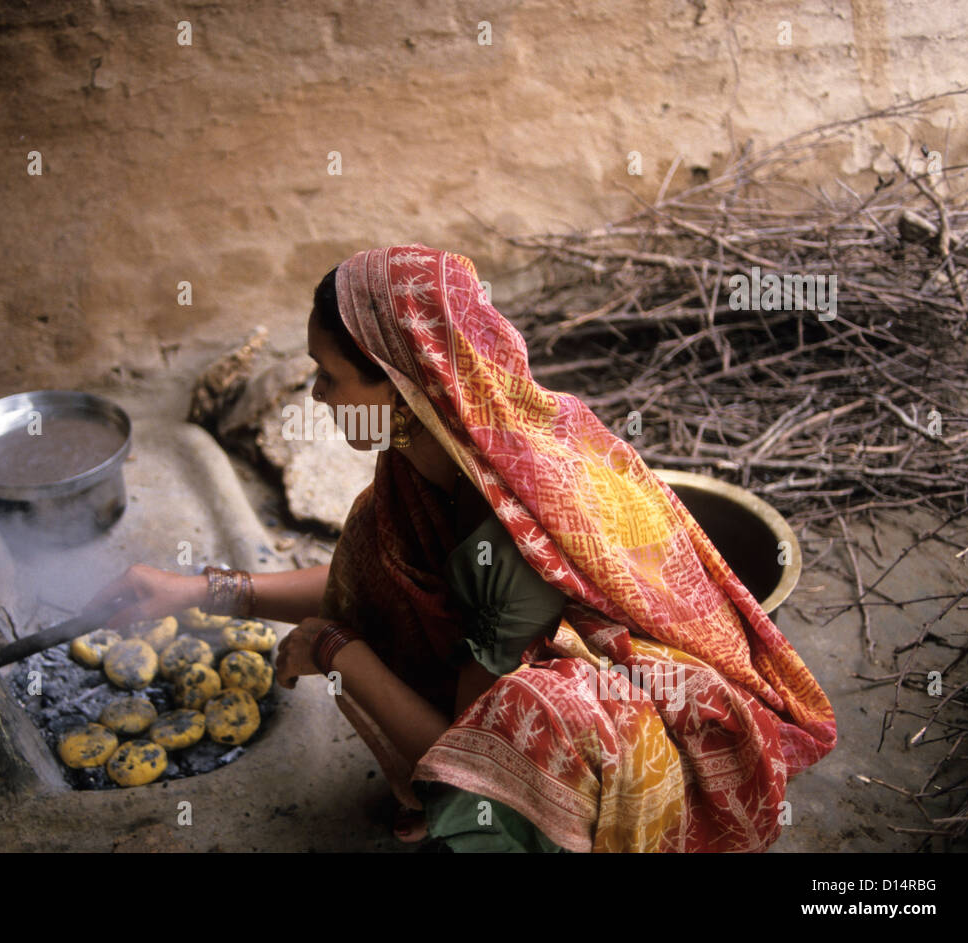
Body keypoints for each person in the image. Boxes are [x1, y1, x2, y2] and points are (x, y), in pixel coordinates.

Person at [87, 243, 837, 852]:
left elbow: (466, 748)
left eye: (329, 378)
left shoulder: (509, 530)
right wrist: (204, 592)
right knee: (404, 596)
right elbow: (368, 579)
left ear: (404, 387)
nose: (316, 398)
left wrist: (337, 651)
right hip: (523, 661)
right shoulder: (420, 469)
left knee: (534, 719)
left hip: (659, 739)